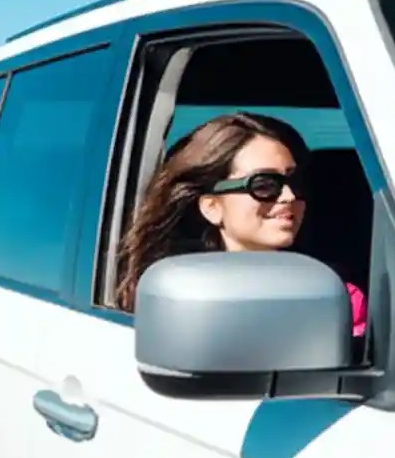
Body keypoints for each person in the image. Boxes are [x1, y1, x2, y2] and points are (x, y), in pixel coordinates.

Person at [114, 111, 368, 336]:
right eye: (264, 185)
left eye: (296, 182)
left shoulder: (335, 298)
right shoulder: (174, 297)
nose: (289, 196)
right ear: (212, 207)